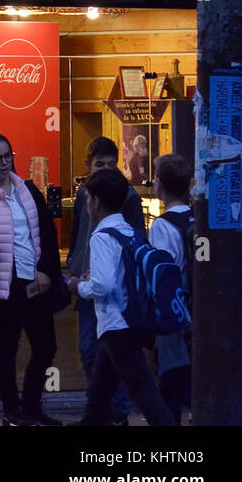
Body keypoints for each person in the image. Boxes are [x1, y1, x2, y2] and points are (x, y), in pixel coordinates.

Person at [0, 132, 63, 426]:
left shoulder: (28, 191)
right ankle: (12, 409)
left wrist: (47, 271)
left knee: (46, 345)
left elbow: (47, 233)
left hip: (34, 277)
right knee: (8, 346)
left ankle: (31, 405)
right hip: (5, 284)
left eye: (8, 156)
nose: (4, 163)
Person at [68, 169, 177, 426]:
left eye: (88, 199)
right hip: (130, 319)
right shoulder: (129, 232)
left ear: (95, 202)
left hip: (117, 323)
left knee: (143, 390)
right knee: (100, 388)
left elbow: (104, 284)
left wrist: (78, 286)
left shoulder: (102, 236)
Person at [67, 136, 139, 424]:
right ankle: (102, 413)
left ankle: (113, 413)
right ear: (88, 166)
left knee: (113, 356)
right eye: (100, 164)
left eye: (112, 164)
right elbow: (77, 235)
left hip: (110, 292)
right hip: (87, 286)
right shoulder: (86, 194)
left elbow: (134, 243)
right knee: (89, 351)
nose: (107, 169)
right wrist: (75, 265)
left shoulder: (127, 197)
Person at [147, 153, 193, 423]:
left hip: (175, 312)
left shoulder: (162, 225)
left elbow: (163, 273)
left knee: (170, 381)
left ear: (160, 185)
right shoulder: (196, 218)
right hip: (197, 306)